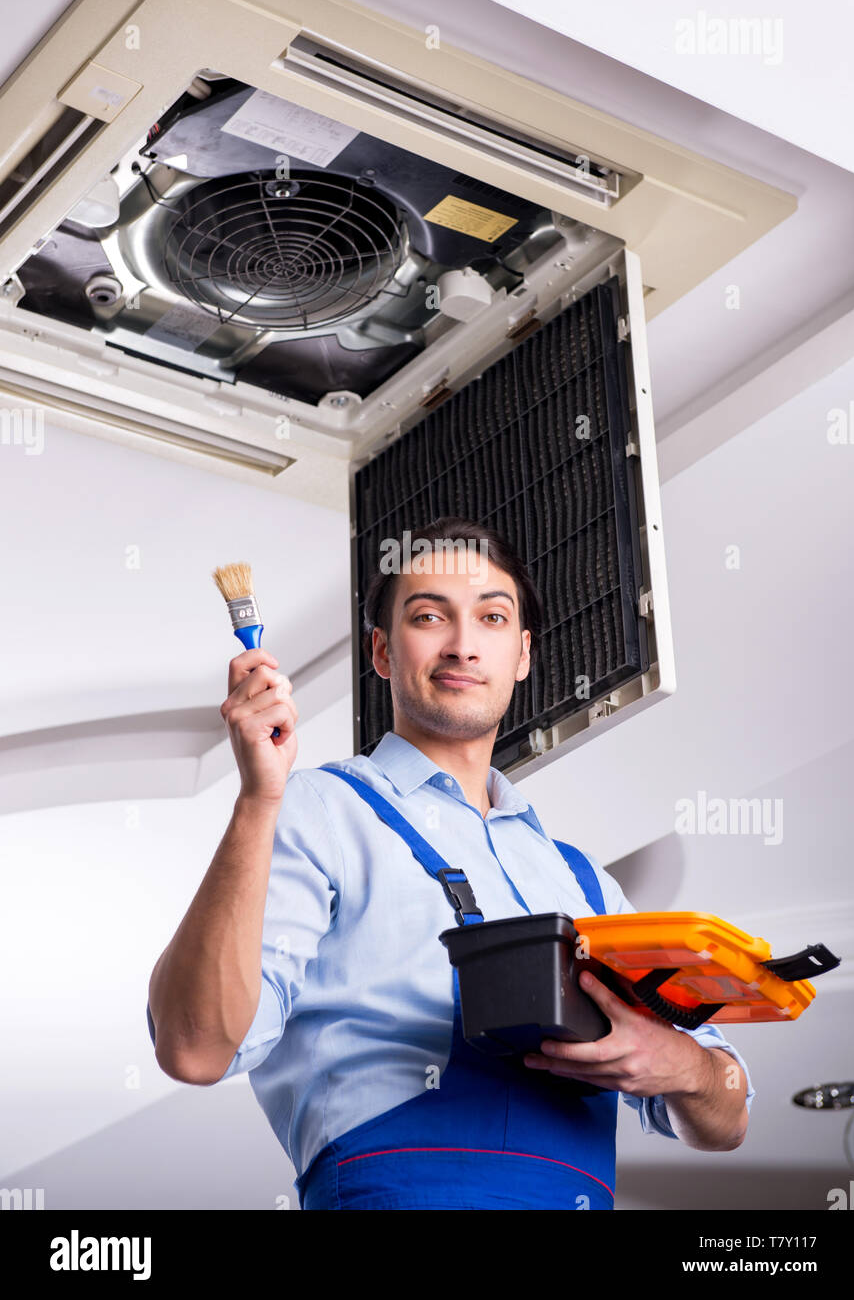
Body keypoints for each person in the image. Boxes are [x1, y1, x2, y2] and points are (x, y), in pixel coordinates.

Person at [146, 515, 754, 1210]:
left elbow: (726, 1119)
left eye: (491, 618)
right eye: (429, 616)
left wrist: (681, 1064)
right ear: (380, 652)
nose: (463, 645)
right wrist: (258, 797)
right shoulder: (315, 808)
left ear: (522, 654)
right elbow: (194, 1048)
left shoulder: (587, 884)